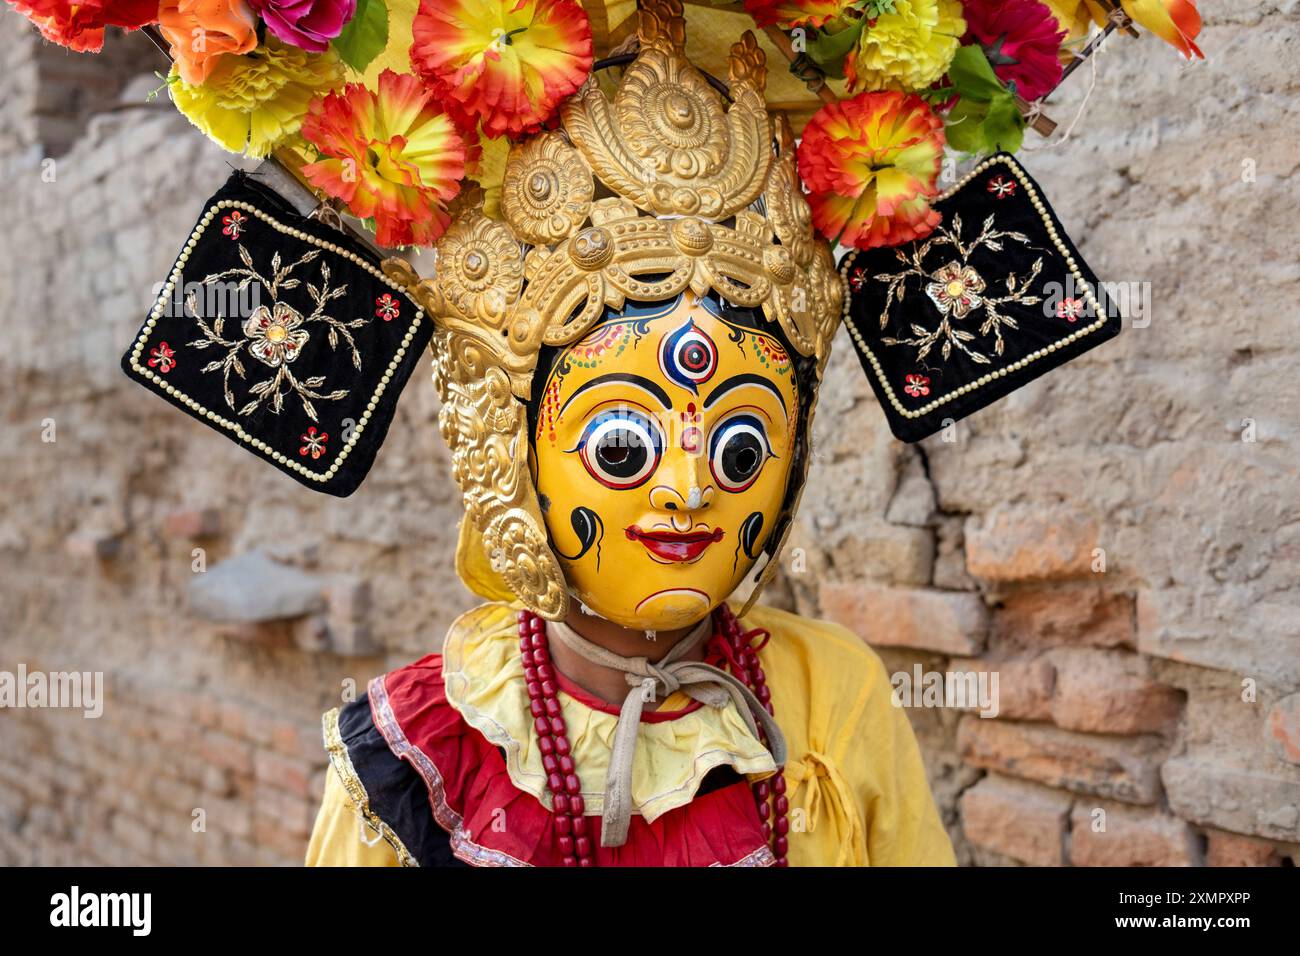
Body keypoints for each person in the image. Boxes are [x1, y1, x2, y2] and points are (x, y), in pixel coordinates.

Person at [305, 0, 954, 868]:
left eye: (740, 447)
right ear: (510, 446)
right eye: (622, 446)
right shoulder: (422, 749)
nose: (689, 489)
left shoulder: (832, 694)